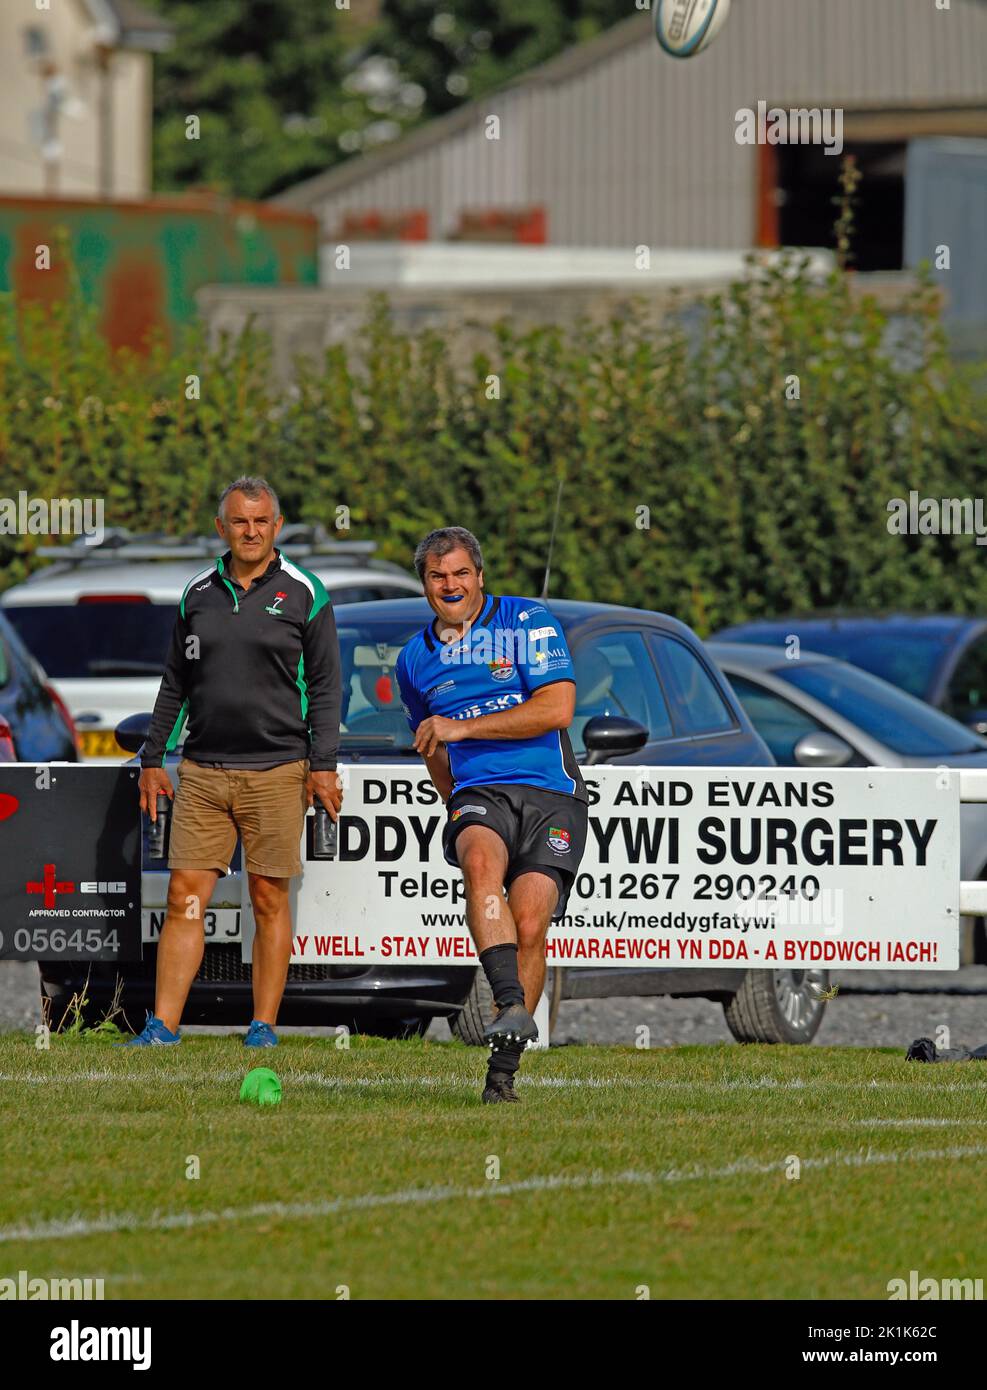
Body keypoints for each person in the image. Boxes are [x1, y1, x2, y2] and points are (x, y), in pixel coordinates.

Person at [131, 476, 343, 1046]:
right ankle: (163, 1027)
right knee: (184, 897)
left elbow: (326, 688)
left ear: (277, 526)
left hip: (278, 772)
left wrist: (323, 764)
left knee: (268, 900)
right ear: (221, 528)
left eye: (262, 521)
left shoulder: (305, 591)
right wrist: (153, 758)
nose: (251, 531)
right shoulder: (195, 592)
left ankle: (262, 1026)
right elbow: (175, 683)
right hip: (201, 771)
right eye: (239, 522)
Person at [395, 526, 587, 1102]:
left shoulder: (526, 622)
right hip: (481, 793)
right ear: (424, 584)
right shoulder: (413, 659)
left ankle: (502, 1071)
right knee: (478, 861)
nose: (449, 585)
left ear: (480, 576)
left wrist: (464, 727)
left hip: (551, 792)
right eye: (437, 576)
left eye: (459, 573)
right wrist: (453, 795)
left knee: (531, 925)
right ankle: (508, 1002)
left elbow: (557, 708)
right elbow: (430, 740)